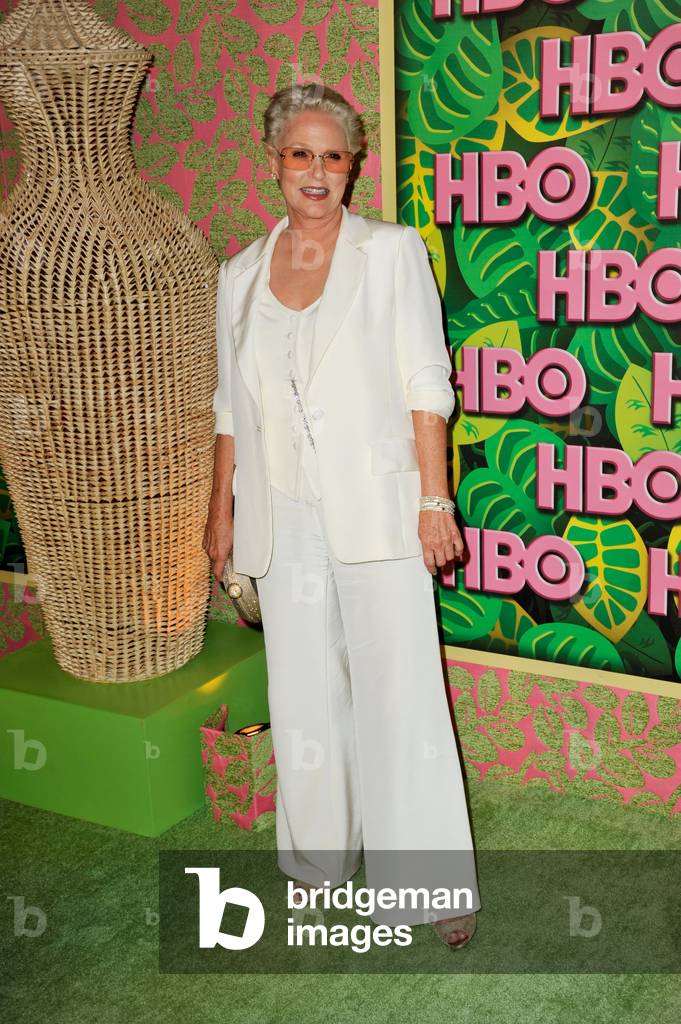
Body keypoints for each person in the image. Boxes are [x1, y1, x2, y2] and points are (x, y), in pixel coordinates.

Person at [203, 83, 481, 948]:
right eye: (299, 153)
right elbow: (226, 407)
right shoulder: (240, 274)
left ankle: (430, 888)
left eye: (332, 154)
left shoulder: (391, 253)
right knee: (302, 697)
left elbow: (425, 385)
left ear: (352, 164)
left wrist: (434, 499)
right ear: (274, 161)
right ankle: (319, 863)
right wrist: (223, 513)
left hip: (379, 504)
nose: (315, 171)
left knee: (400, 693)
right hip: (280, 512)